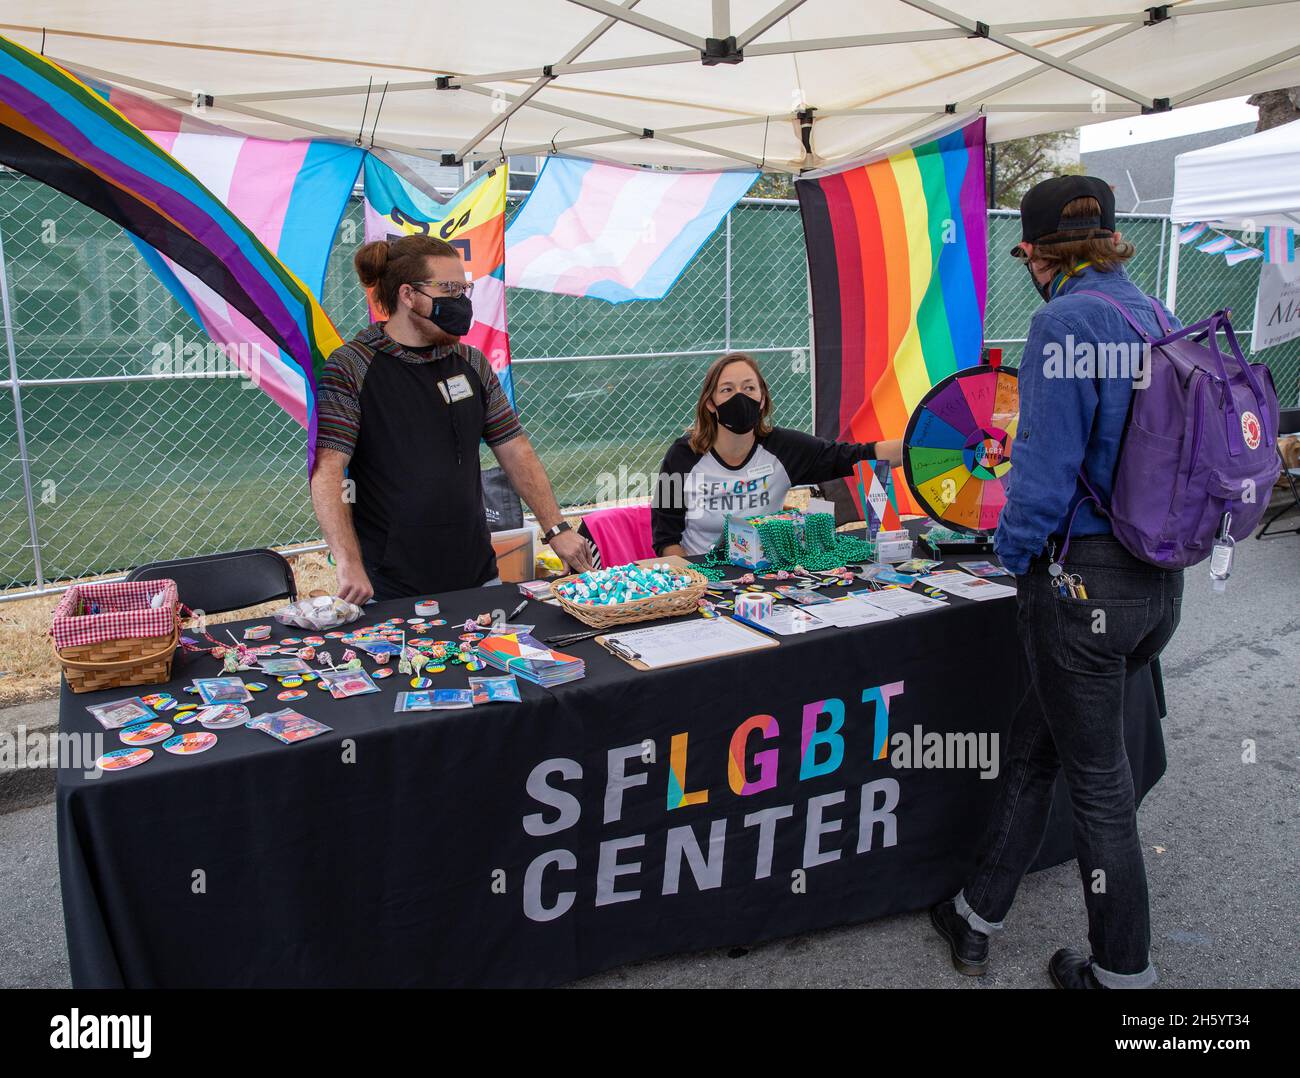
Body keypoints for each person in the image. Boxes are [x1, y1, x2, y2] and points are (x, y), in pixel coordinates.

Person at [929, 176, 1185, 989]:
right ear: (1108, 238)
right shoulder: (1158, 314)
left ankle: (1123, 975)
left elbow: (1040, 479)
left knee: (1099, 787)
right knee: (1043, 743)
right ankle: (976, 914)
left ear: (1038, 253)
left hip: (1082, 584)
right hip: (1156, 584)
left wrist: (1007, 556)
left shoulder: (1062, 321)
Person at [311, 234, 591, 603]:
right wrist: (348, 562)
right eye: (448, 288)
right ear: (408, 295)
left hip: (476, 573)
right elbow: (329, 469)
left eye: (463, 288)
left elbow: (515, 448)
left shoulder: (472, 362)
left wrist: (556, 528)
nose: (460, 300)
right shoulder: (353, 366)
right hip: (389, 584)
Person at [651, 352, 902, 556]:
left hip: (768, 576)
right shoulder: (681, 456)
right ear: (710, 403)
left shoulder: (784, 447)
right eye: (727, 390)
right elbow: (665, 539)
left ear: (762, 400)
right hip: (704, 577)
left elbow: (855, 456)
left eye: (749, 388)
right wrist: (695, 579)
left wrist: (918, 446)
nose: (740, 396)